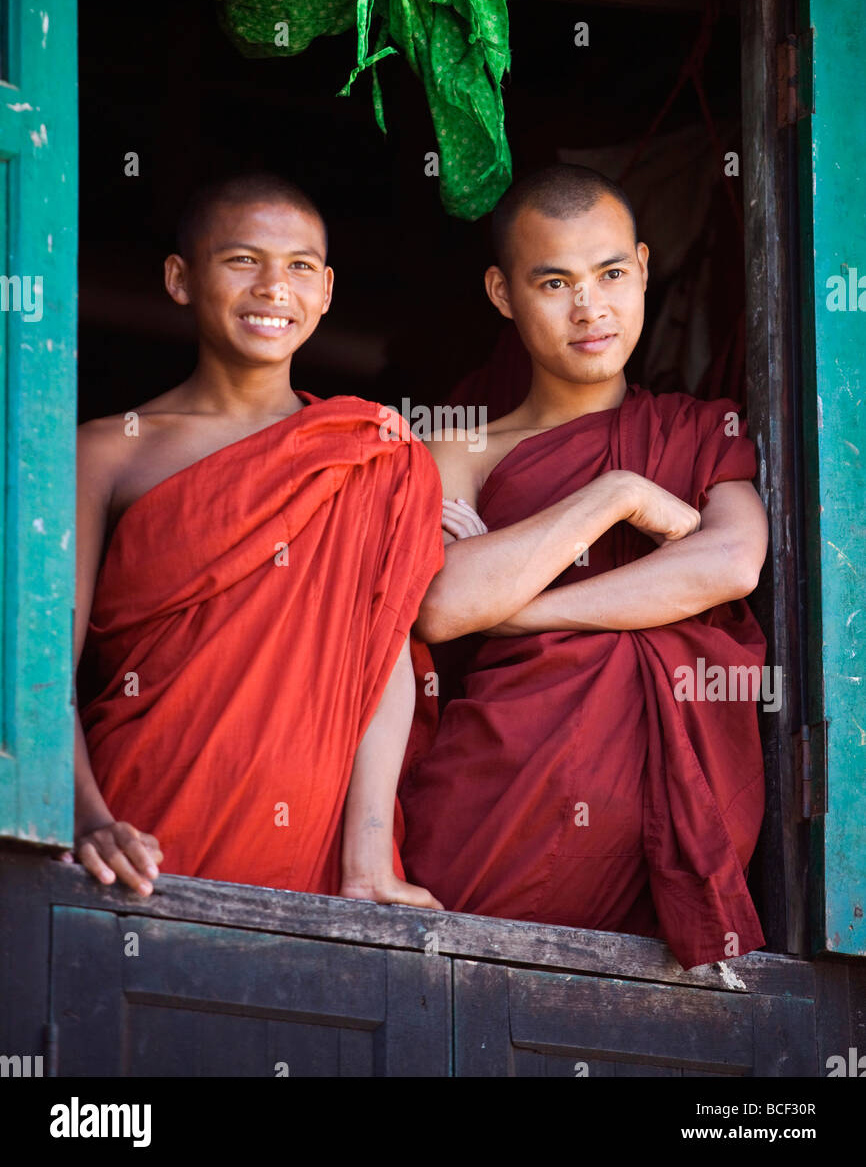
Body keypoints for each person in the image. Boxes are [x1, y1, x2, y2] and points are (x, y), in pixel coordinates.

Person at [399, 164, 769, 969]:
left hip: (667, 827)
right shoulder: (456, 449)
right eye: (554, 282)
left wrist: (521, 601)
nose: (589, 307)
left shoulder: (701, 428)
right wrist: (616, 495)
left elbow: (732, 563)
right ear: (502, 294)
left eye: (609, 275)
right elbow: (436, 605)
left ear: (642, 267)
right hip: (495, 807)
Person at [69, 172, 443, 910]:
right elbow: (39, 667)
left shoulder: (371, 451)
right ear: (181, 278)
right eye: (243, 260)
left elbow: (384, 658)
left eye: (300, 266)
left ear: (327, 289)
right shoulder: (109, 453)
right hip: (141, 824)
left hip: (312, 839)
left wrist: (368, 862)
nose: (275, 287)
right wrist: (87, 819)